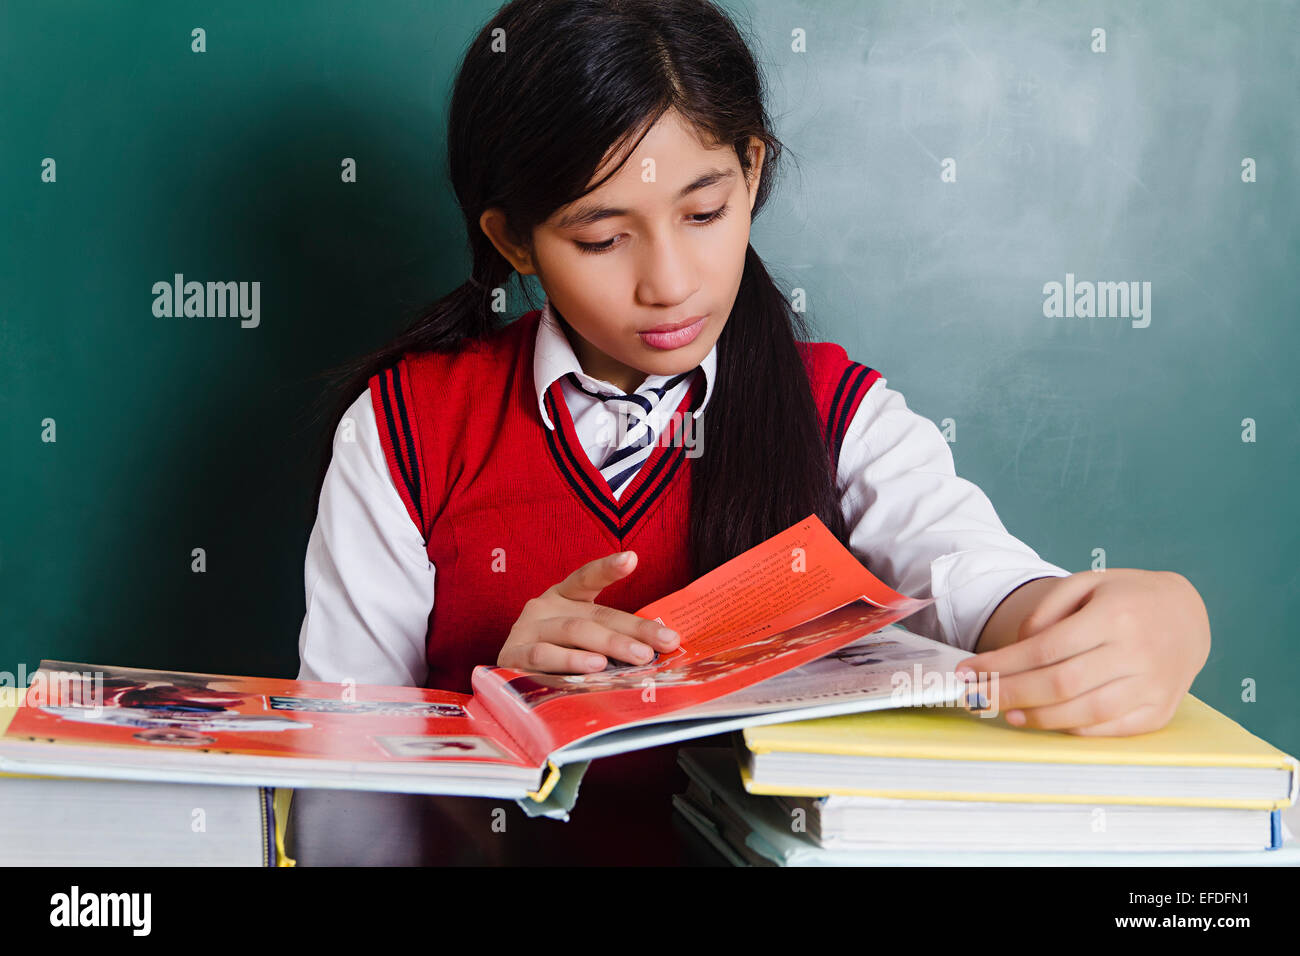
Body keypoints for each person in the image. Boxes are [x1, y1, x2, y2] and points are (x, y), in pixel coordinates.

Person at [294, 0, 1210, 863]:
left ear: (754, 172)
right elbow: (344, 808)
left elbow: (974, 575)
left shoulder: (842, 415)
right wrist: (501, 711)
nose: (671, 283)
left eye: (704, 213)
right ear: (516, 241)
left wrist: (1129, 622)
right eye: (602, 238)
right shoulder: (406, 434)